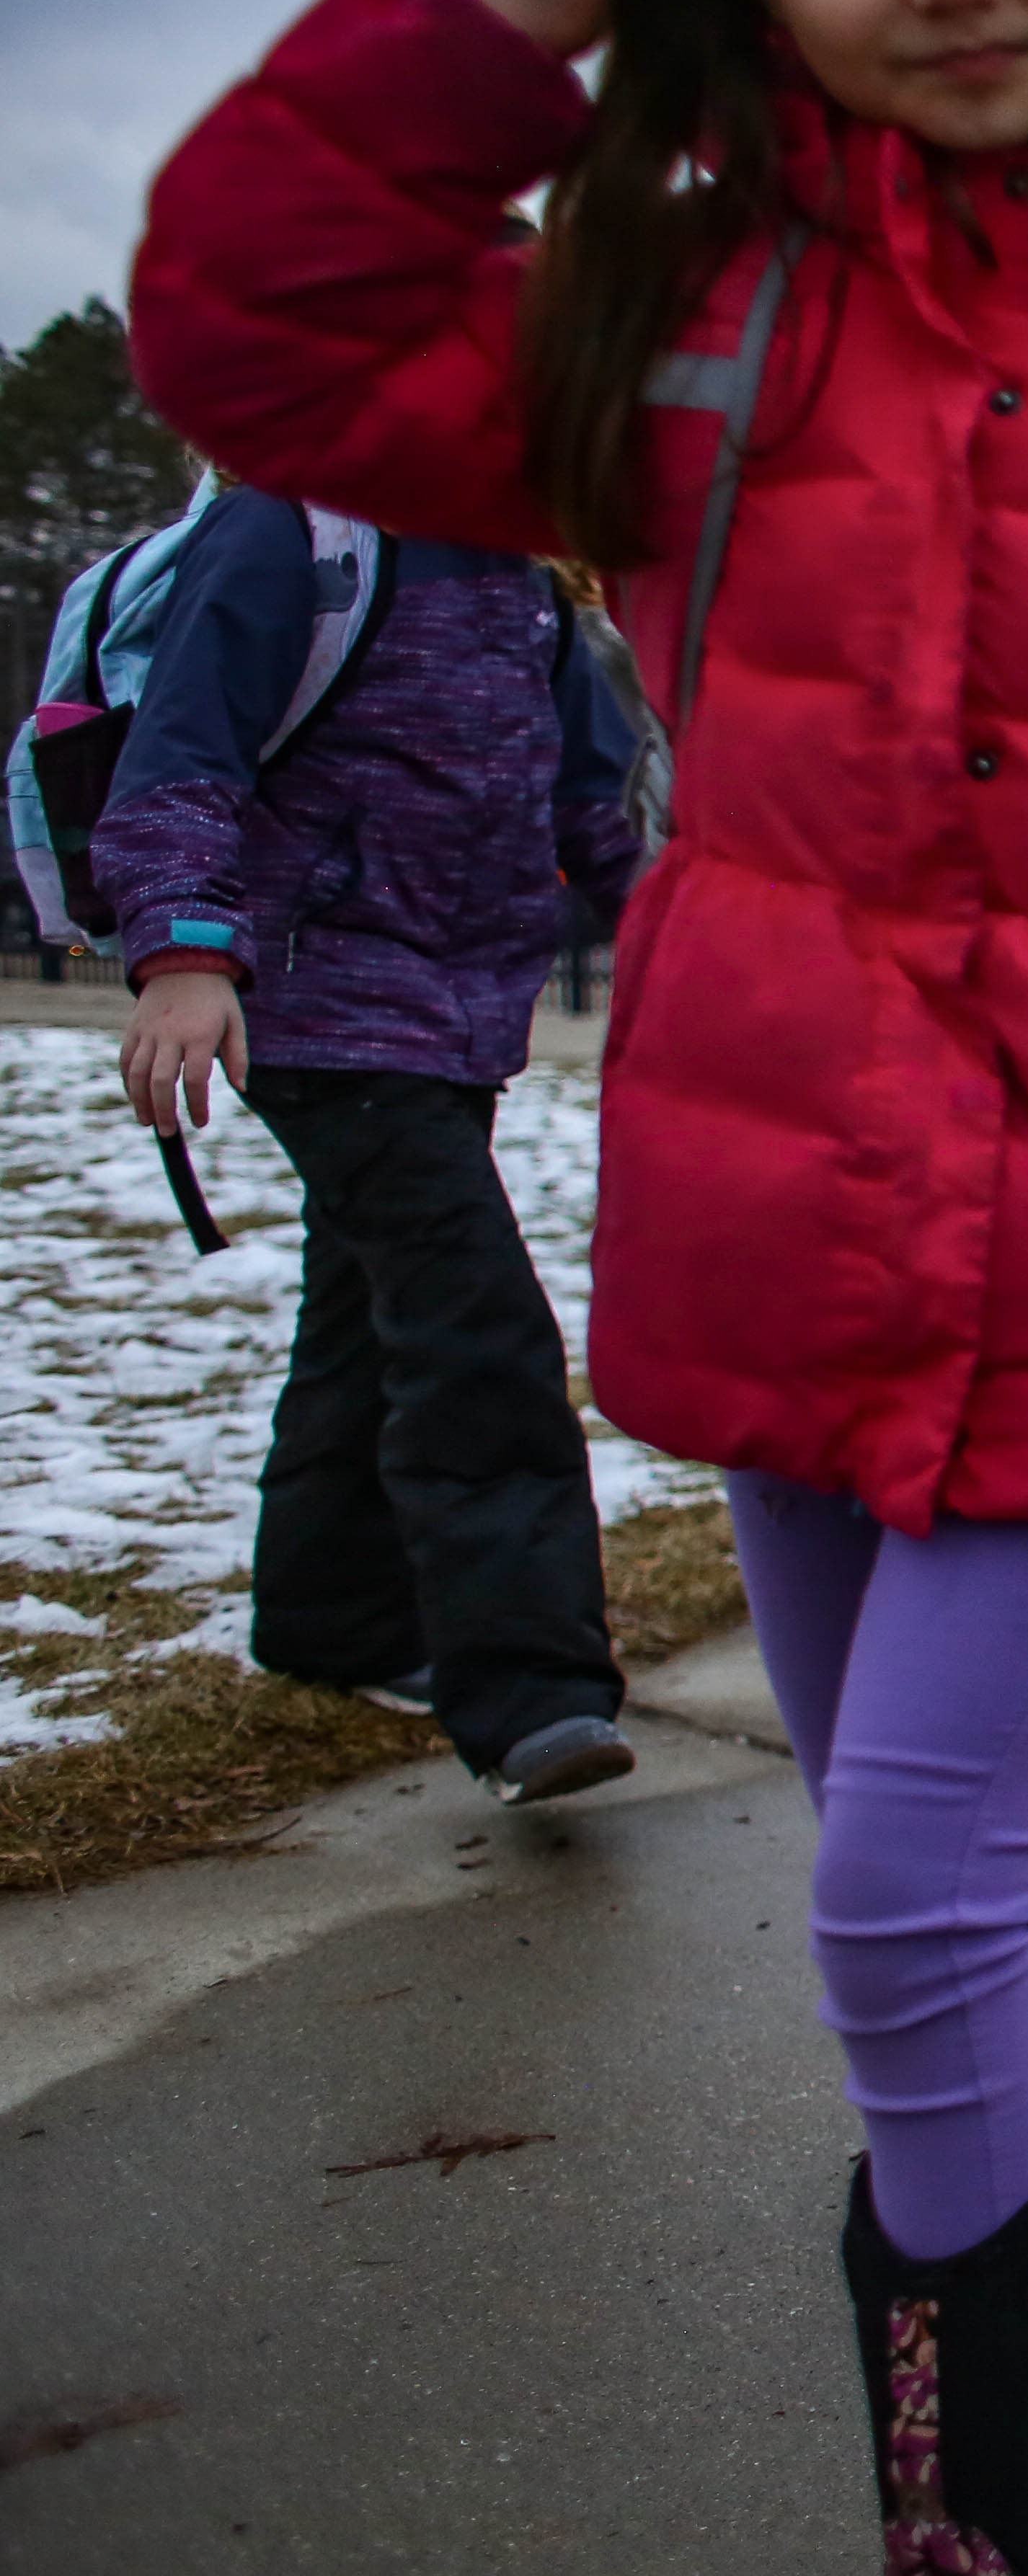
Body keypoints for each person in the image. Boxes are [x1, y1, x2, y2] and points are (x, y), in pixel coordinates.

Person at [129, 0, 1028, 2562]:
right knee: (942, 1830)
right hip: (783, 1209)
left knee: (891, 1894)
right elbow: (254, 342)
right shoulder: (686, 306)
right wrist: (506, 22)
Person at [105, 492, 644, 1804]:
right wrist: (182, 953)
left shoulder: (530, 581)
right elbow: (183, 748)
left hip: (456, 1015)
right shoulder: (291, 533)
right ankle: (533, 1697)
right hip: (316, 1002)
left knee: (364, 1315)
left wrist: (697, 957)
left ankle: (327, 1622)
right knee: (475, 1327)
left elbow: (594, 811)